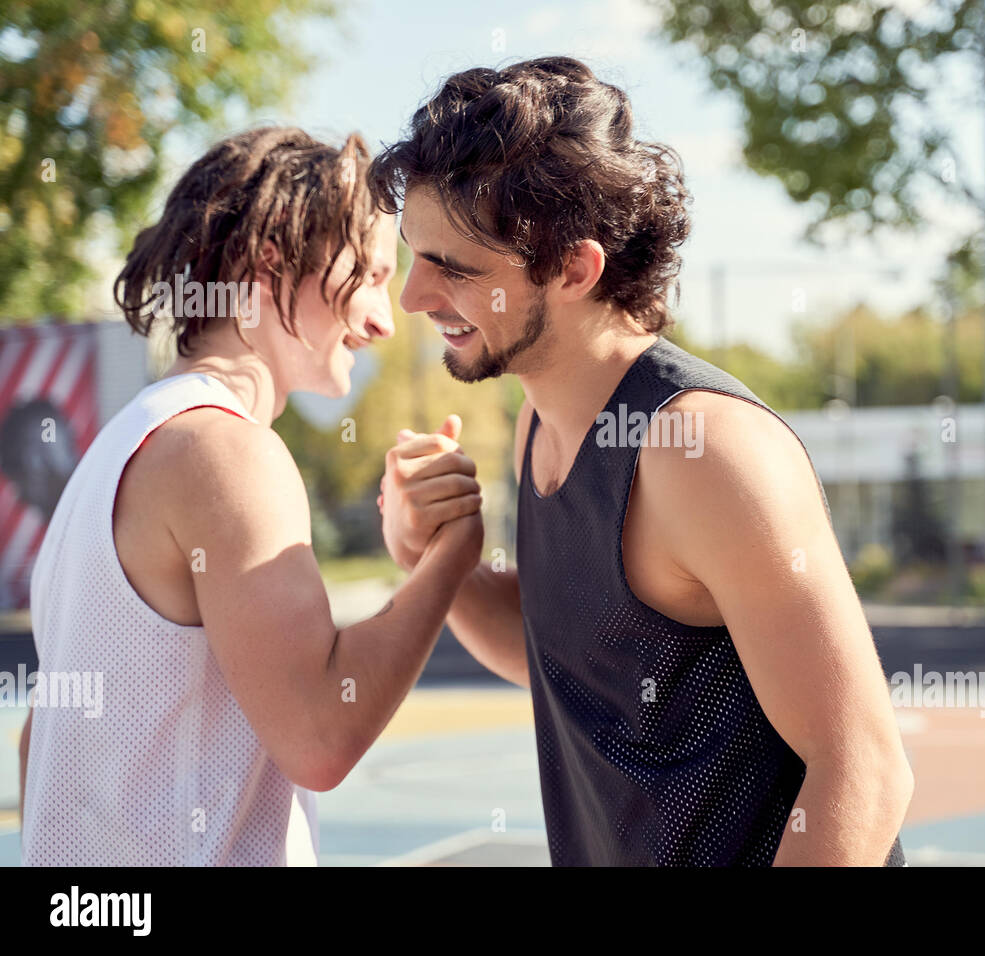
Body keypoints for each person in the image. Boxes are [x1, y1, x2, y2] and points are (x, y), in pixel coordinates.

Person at [371, 57, 913, 866]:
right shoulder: (539, 424)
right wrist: (433, 553)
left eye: (452, 266)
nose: (412, 297)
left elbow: (862, 771)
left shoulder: (704, 453)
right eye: (415, 256)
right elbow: (574, 662)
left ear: (574, 269)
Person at [18, 127, 483, 865]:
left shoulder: (113, 454)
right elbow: (320, 736)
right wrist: (449, 552)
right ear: (270, 264)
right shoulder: (228, 452)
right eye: (366, 275)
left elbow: (37, 745)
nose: (383, 319)